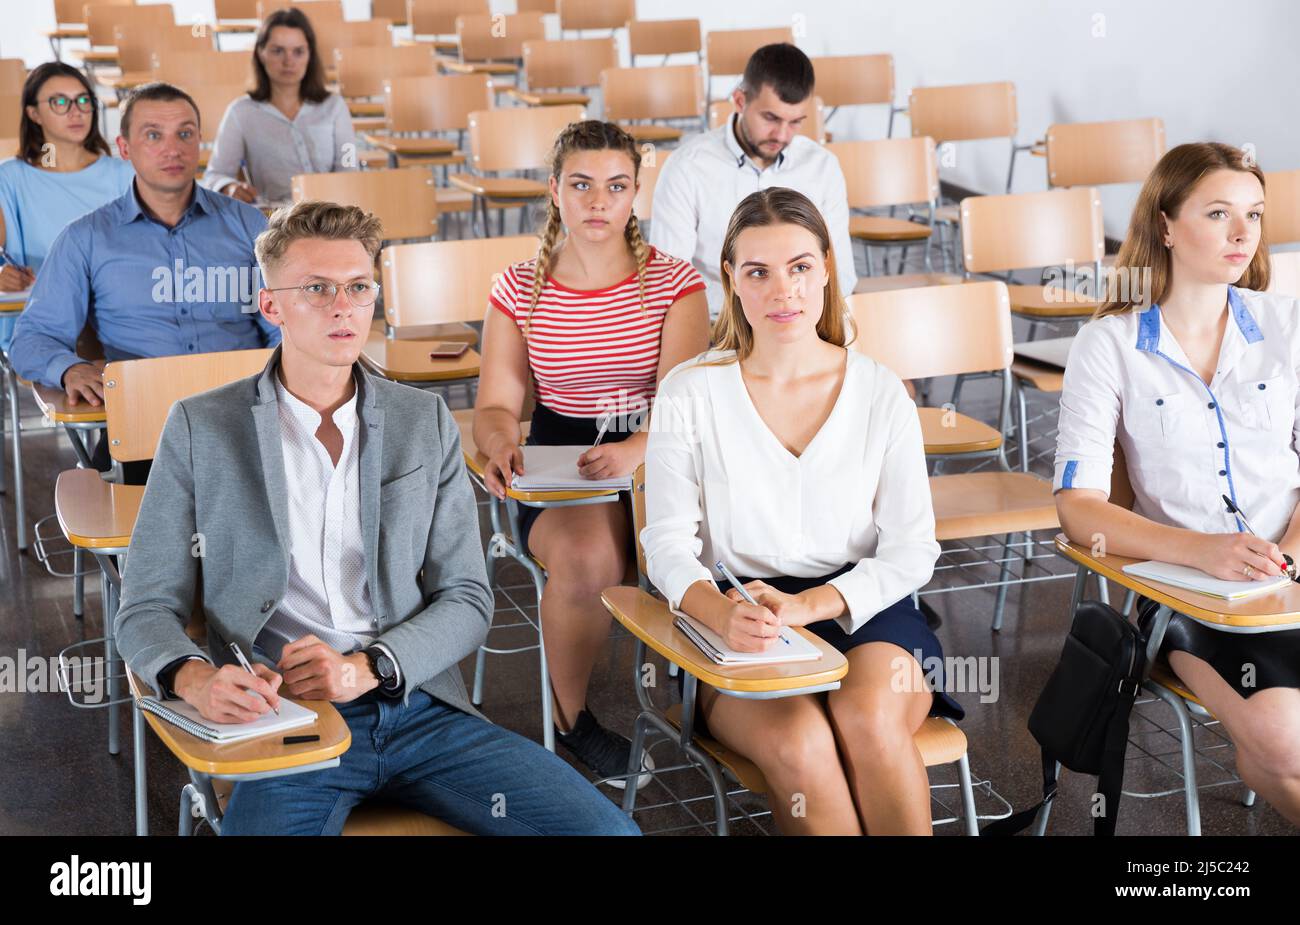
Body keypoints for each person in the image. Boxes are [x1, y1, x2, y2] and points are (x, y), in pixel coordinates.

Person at [112, 200, 639, 836]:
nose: (343, 306)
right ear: (271, 305)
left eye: (359, 287)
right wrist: (193, 678)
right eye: (316, 288)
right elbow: (144, 605)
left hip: (418, 706)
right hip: (288, 718)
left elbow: (468, 598)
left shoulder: (424, 420)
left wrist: (370, 667)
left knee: (610, 834)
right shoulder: (201, 426)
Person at [641, 187, 962, 835]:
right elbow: (667, 546)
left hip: (862, 605)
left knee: (868, 718)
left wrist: (813, 604)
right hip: (735, 614)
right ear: (730, 279)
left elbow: (912, 548)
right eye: (757, 271)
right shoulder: (690, 391)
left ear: (826, 269)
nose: (781, 290)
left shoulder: (879, 390)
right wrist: (722, 613)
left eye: (800, 267)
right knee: (802, 744)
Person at [1055, 142, 1300, 826]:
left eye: (1253, 213)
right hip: (1189, 596)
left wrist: (1293, 552)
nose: (1243, 233)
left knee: (1279, 744)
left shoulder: (1289, 326)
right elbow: (1079, 509)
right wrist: (1204, 552)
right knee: (1282, 740)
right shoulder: (1108, 345)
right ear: (1164, 224)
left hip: (1289, 577)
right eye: (1218, 213)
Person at [474, 120, 710, 785]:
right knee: (587, 557)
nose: (598, 201)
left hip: (660, 446)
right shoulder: (519, 287)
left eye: (615, 186)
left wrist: (638, 446)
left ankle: (721, 701)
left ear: (637, 192)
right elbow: (497, 405)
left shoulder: (674, 282)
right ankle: (572, 719)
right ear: (555, 191)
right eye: (581, 185)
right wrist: (497, 444)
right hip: (562, 453)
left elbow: (682, 399)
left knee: (728, 535)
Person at [10, 82, 278, 412]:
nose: (173, 150)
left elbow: (286, 326)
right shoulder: (85, 239)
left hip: (245, 410)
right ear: (124, 148)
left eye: (185, 134)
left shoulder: (249, 225)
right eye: (153, 135)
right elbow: (32, 337)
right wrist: (69, 369)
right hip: (145, 417)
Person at [650, 43, 856, 317]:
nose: (782, 135)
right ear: (739, 101)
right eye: (770, 118)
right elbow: (669, 280)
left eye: (795, 122)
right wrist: (758, 304)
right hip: (718, 324)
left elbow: (841, 275)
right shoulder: (687, 168)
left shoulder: (822, 166)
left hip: (801, 322)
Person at [0, 62, 134, 346]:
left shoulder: (125, 173)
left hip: (120, 320)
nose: (76, 111)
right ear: (33, 113)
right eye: (59, 102)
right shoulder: (9, 178)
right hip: (46, 327)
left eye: (83, 100)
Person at [202, 7, 357, 205]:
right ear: (261, 53)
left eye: (298, 52)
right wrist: (229, 187)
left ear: (310, 56)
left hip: (331, 217)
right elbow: (214, 175)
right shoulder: (240, 113)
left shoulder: (335, 107)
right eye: (277, 51)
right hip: (275, 222)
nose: (288, 61)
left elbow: (349, 167)